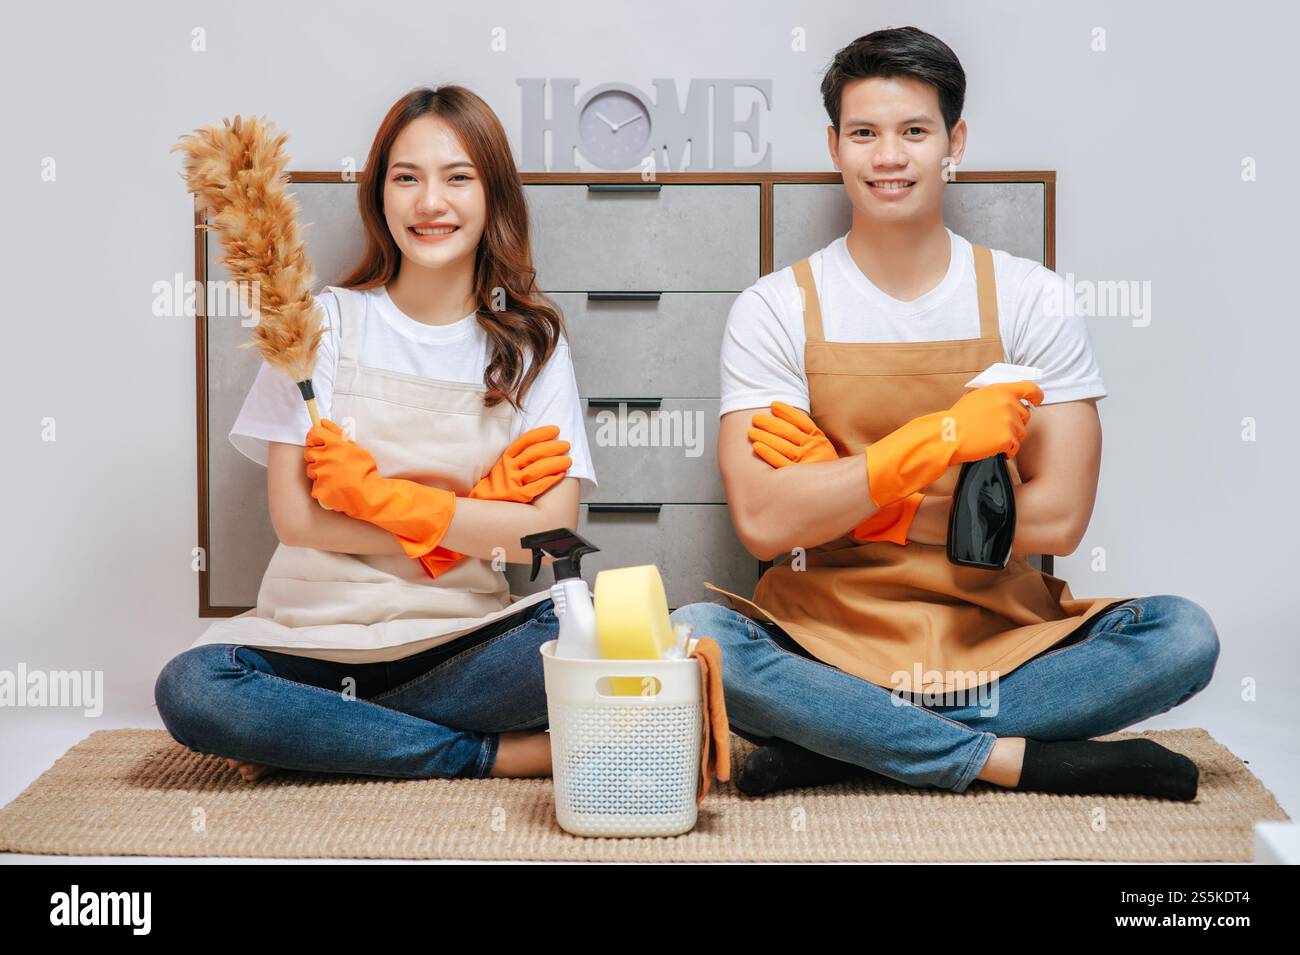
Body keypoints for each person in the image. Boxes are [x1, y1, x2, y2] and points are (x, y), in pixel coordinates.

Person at [669, 26, 1219, 800]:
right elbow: (763, 520)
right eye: (864, 133)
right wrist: (938, 443)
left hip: (997, 638)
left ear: (953, 142)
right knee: (697, 633)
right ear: (834, 146)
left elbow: (1059, 517)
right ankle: (1004, 758)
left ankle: (848, 742)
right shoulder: (775, 308)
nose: (888, 157)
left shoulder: (1032, 298)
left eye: (914, 132)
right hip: (827, 639)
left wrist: (866, 505)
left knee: (1182, 635)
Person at [155, 85, 597, 783]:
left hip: (459, 638)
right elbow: (297, 521)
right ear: (379, 194)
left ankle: (317, 734)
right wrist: (478, 519)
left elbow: (553, 531)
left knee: (580, 625)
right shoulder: (315, 327)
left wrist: (388, 502)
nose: (430, 203)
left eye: (458, 177)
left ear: (494, 196)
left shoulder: (532, 343)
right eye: (406, 178)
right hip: (316, 640)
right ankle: (483, 753)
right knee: (194, 686)